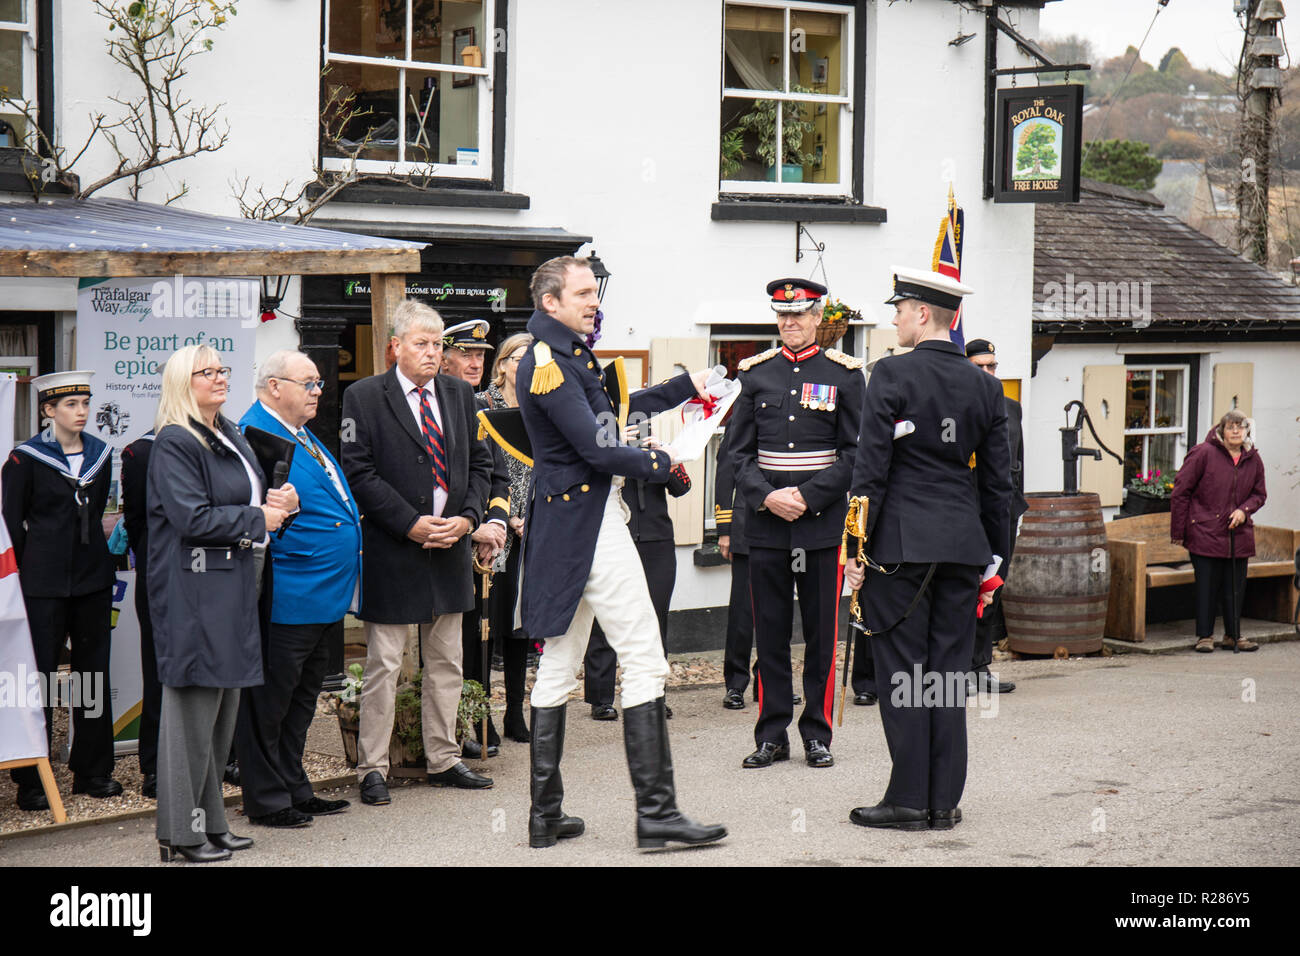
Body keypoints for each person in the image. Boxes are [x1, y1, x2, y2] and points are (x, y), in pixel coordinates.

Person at [517, 254, 726, 849]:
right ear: (550, 302)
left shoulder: (559, 354)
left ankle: (544, 815)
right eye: (581, 293)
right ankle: (657, 815)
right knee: (644, 657)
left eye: (593, 292)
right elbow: (597, 451)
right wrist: (661, 460)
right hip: (590, 525)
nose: (593, 301)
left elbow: (603, 431)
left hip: (568, 526)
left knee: (559, 664)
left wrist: (654, 426)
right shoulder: (549, 361)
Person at [844, 267, 1011, 832]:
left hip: (901, 548)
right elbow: (999, 485)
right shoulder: (987, 386)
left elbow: (869, 473)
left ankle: (910, 800)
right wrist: (995, 557)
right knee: (946, 673)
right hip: (964, 545)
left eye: (899, 310)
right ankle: (944, 800)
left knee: (903, 675)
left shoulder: (889, 374)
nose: (893, 319)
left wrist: (854, 551)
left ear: (921, 314)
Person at [341, 299, 495, 807]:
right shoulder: (363, 397)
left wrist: (468, 519)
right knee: (385, 662)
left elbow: (479, 465)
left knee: (447, 659)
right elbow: (359, 472)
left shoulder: (458, 394)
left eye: (436, 345)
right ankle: (373, 767)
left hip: (449, 547)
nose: (432, 354)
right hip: (394, 548)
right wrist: (408, 523)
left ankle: (444, 758)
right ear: (396, 347)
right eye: (421, 344)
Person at [147, 345, 298, 862]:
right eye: (204, 372)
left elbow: (250, 503)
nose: (217, 378)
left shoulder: (228, 432)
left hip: (234, 586)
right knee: (191, 718)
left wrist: (282, 506)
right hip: (196, 594)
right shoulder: (174, 441)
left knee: (220, 718)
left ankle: (211, 822)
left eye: (220, 370)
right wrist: (260, 518)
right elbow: (192, 518)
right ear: (180, 383)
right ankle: (180, 834)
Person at [728, 277, 865, 770]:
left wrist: (807, 497)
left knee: (822, 634)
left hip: (821, 524)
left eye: (800, 314)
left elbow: (855, 455)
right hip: (766, 525)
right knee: (769, 632)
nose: (790, 323)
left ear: (818, 317)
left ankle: (817, 733)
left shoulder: (845, 375)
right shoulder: (754, 374)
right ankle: (771, 732)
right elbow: (735, 454)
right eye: (783, 316)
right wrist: (767, 497)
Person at [235, 350, 361, 827]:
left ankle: (293, 785)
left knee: (303, 698)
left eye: (318, 384)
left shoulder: (300, 433)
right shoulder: (258, 435)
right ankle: (266, 798)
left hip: (321, 590)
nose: (317, 391)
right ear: (274, 387)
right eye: (308, 383)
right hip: (289, 589)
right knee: (271, 701)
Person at [3, 371, 120, 811]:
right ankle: (33, 778)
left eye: (85, 403)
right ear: (49, 410)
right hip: (42, 583)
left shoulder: (101, 455)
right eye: (71, 405)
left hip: (91, 580)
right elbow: (12, 524)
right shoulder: (25, 459)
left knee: (92, 673)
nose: (82, 412)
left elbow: (98, 512)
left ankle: (92, 771)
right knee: (39, 679)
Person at [440, 319, 509, 758]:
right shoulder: (437, 405)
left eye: (481, 355)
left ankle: (476, 717)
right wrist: (469, 524)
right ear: (443, 357)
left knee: (479, 637)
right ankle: (450, 727)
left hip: (482, 544)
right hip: (446, 539)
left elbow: (497, 475)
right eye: (466, 354)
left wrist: (497, 522)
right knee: (446, 648)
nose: (475, 362)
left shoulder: (481, 408)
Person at [584, 456, 691, 720]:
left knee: (655, 618)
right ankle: (600, 697)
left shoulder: (657, 444)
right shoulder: (605, 440)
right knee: (604, 617)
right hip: (614, 535)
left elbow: (682, 486)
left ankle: (654, 694)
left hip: (657, 538)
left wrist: (663, 456)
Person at [478, 332, 535, 743]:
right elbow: (478, 472)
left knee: (520, 629)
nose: (526, 363)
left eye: (534, 357)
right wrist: (508, 517)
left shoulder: (541, 408)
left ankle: (516, 712)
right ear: (501, 365)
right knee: (487, 626)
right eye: (518, 357)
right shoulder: (482, 406)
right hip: (494, 533)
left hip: (535, 533)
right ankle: (483, 717)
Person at [1171, 409, 1267, 653]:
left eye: (1240, 426)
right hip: (1205, 530)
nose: (1235, 431)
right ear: (1221, 431)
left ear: (1246, 430)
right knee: (1207, 587)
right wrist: (1179, 531)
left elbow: (1259, 494)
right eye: (1230, 427)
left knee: (1235, 587)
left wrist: (1244, 510)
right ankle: (1205, 636)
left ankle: (1233, 635)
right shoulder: (1203, 453)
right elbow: (1181, 491)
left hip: (1239, 533)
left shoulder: (1252, 458)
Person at [965, 338, 1026, 694]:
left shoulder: (1011, 407)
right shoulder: (956, 406)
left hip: (1002, 511)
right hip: (964, 510)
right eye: (981, 367)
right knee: (962, 589)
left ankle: (980, 665)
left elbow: (1016, 463)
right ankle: (956, 668)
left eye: (993, 366)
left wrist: (1017, 505)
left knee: (993, 586)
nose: (989, 373)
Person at [120, 429, 160, 799]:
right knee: (160, 671)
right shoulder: (141, 452)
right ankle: (155, 765)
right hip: (160, 575)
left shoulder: (218, 440)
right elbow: (135, 521)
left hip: (211, 579)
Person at [714, 424, 759, 709]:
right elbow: (725, 473)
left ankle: (770, 681)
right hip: (747, 526)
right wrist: (725, 529)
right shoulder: (744, 415)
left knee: (777, 613)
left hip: (787, 528)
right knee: (743, 613)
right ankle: (736, 683)